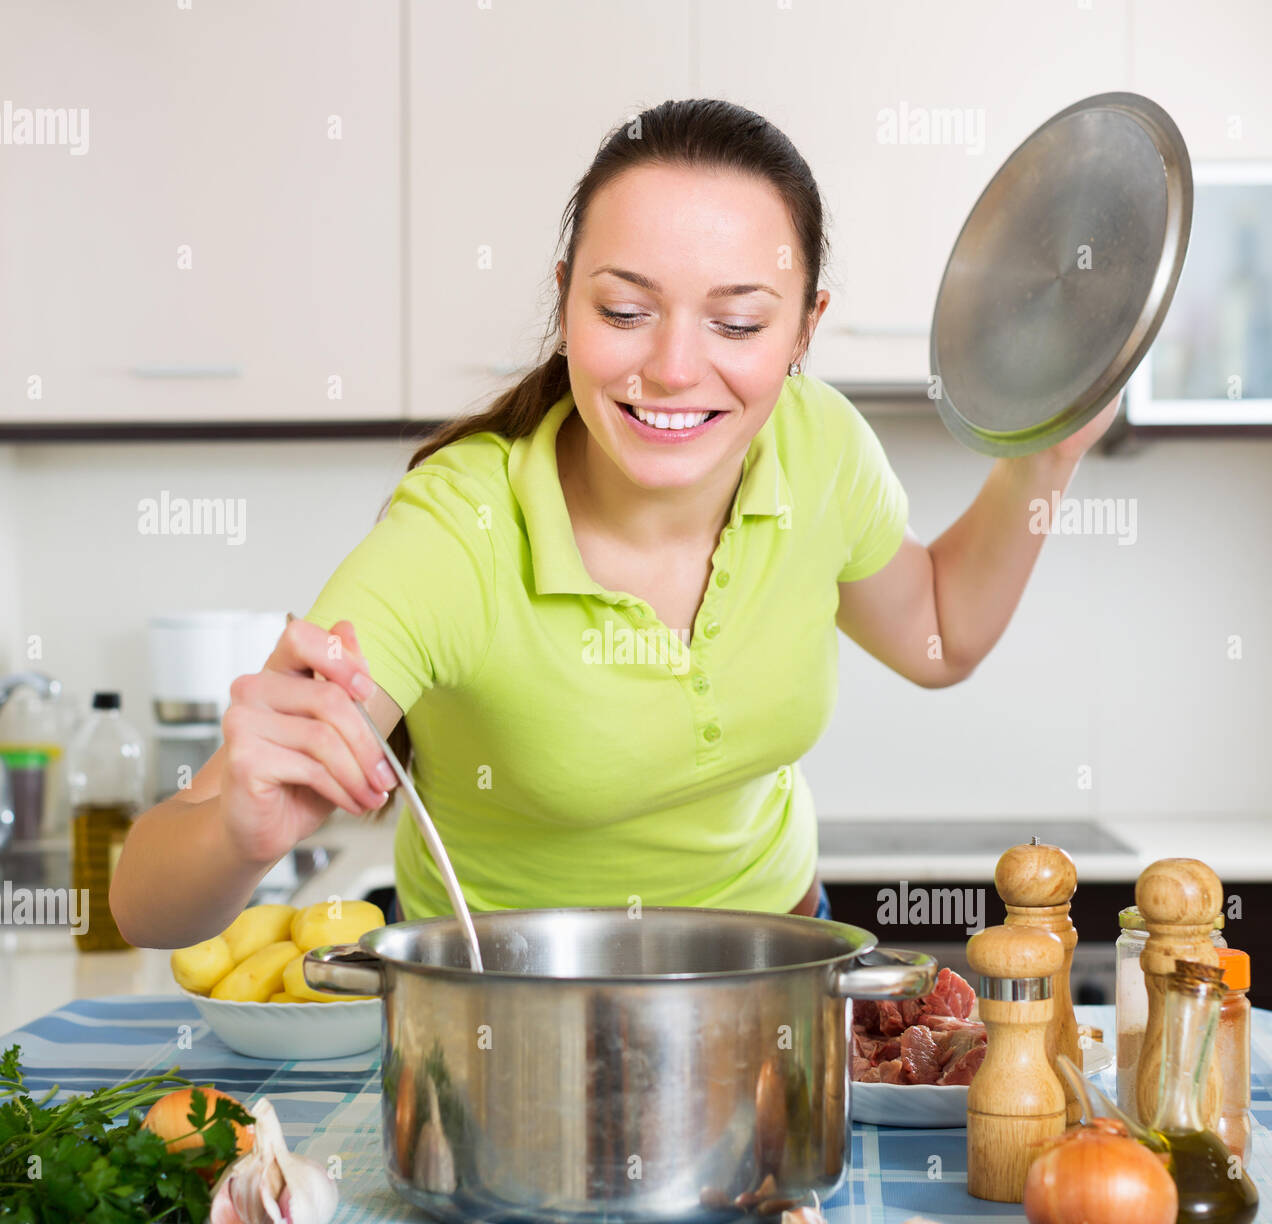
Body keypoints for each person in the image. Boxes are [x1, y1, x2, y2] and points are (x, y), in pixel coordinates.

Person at [110, 98, 1120, 949]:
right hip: (509, 1026)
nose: (676, 368)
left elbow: (938, 631)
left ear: (807, 327)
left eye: (738, 321)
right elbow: (142, 904)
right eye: (626, 310)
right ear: (565, 303)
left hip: (776, 978)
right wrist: (238, 829)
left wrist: (1048, 453)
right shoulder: (457, 532)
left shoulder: (818, 446)